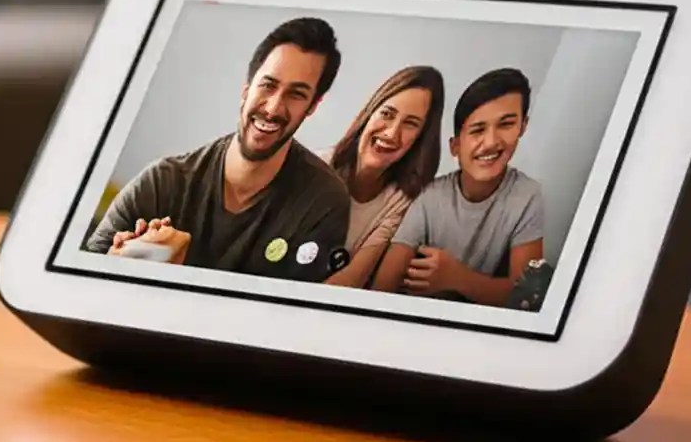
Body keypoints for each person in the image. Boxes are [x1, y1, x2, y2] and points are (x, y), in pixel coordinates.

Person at [84, 18, 352, 283]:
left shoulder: (323, 201)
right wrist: (121, 264)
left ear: (312, 106)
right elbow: (82, 283)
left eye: (296, 94)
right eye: (268, 85)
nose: (273, 108)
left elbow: (292, 307)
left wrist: (173, 276)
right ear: (246, 89)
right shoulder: (161, 183)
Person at [373, 68, 545, 306]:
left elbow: (527, 297)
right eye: (477, 130)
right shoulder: (429, 196)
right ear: (455, 146)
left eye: (506, 124)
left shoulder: (527, 196)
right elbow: (383, 287)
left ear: (523, 127)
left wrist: (458, 278)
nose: (491, 142)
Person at [320, 66, 446, 288]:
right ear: (370, 113)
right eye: (387, 114)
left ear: (420, 138)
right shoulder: (317, 168)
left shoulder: (401, 201)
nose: (391, 133)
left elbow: (354, 278)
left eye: (410, 124)